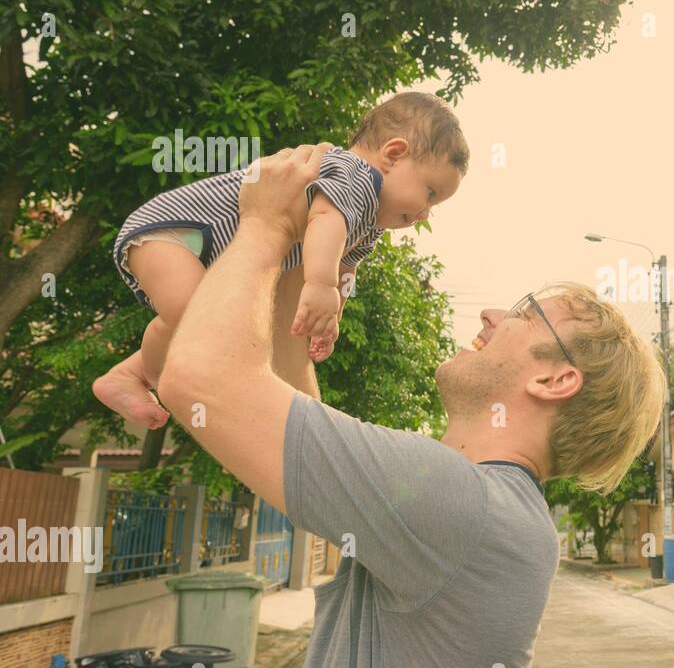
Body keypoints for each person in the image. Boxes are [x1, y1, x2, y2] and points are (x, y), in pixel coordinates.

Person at [156, 144, 666, 668]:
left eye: (526, 312)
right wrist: (305, 278)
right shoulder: (477, 504)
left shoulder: (459, 500)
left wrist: (264, 223)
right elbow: (293, 425)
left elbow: (202, 380)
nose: (491, 315)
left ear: (554, 379)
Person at [94, 92, 469, 429]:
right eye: (430, 193)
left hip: (210, 250)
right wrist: (319, 286)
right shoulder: (357, 178)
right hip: (179, 229)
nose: (425, 213)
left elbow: (345, 266)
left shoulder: (370, 222)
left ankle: (133, 374)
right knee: (194, 315)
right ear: (393, 154)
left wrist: (332, 311)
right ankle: (150, 375)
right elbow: (326, 220)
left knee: (207, 317)